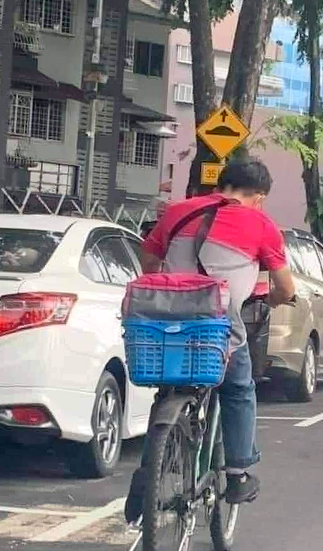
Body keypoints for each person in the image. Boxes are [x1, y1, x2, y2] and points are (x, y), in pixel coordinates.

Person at [124, 158, 296, 522]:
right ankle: (238, 473)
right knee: (238, 388)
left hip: (164, 322)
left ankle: (145, 478)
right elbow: (285, 286)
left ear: (222, 184)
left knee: (168, 389)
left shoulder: (178, 211)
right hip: (216, 324)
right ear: (260, 196)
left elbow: (149, 258)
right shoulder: (262, 224)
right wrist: (275, 300)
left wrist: (166, 287)